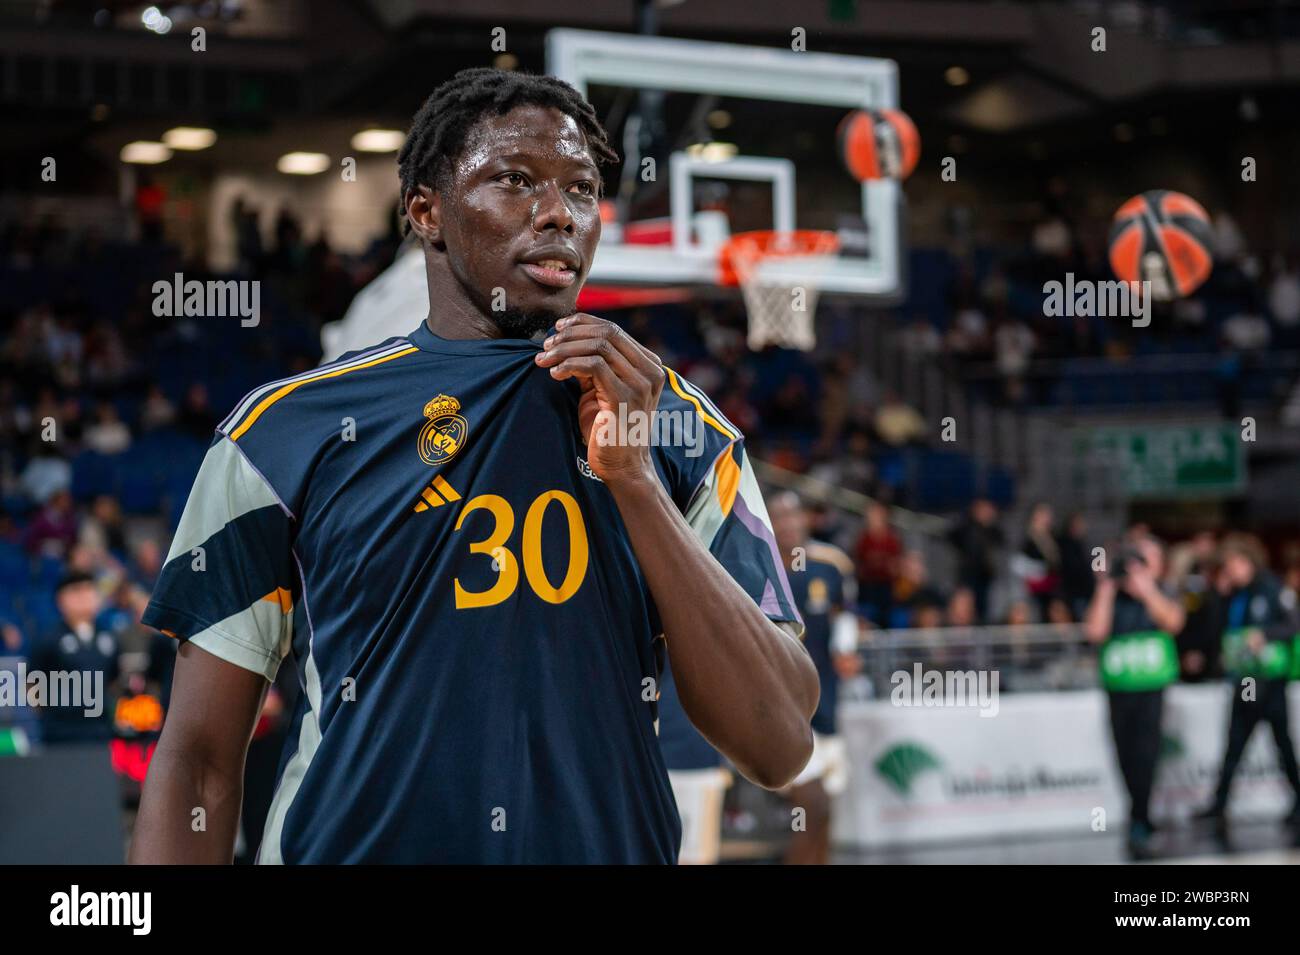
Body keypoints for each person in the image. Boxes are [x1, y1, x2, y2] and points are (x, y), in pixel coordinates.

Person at [131, 68, 817, 865]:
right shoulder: (281, 433)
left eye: (582, 189)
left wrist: (633, 480)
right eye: (515, 181)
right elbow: (198, 762)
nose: (559, 213)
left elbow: (779, 744)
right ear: (427, 211)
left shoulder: (682, 430)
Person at [769, 492, 860, 865]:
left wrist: (846, 648)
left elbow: (847, 612)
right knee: (809, 800)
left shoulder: (830, 563)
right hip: (780, 702)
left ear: (806, 519)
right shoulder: (758, 562)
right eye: (779, 518)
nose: (788, 524)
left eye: (793, 516)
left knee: (822, 806)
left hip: (825, 695)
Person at [1083, 533, 1185, 859]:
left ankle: (1141, 818)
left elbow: (1173, 622)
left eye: (1146, 561)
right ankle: (1138, 816)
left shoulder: (1163, 592)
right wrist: (1106, 587)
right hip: (1118, 690)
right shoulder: (1113, 596)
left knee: (1146, 754)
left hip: (1151, 689)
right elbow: (1094, 632)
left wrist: (1147, 589)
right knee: (1125, 756)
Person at [1197, 536, 1300, 831]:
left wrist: (1264, 635)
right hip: (1245, 679)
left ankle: (1298, 800)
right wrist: (1218, 594)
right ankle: (1219, 804)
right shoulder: (1234, 595)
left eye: (1234, 565)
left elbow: (1293, 624)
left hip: (1269, 679)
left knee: (1282, 743)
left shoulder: (1272, 588)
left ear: (1248, 561)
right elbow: (1213, 630)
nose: (1231, 571)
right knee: (1235, 741)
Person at [27, 572, 120, 745]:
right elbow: (32, 684)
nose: (84, 596)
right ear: (61, 599)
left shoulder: (109, 638)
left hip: (101, 731)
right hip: (61, 733)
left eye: (89, 590)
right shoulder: (48, 640)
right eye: (76, 591)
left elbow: (113, 681)